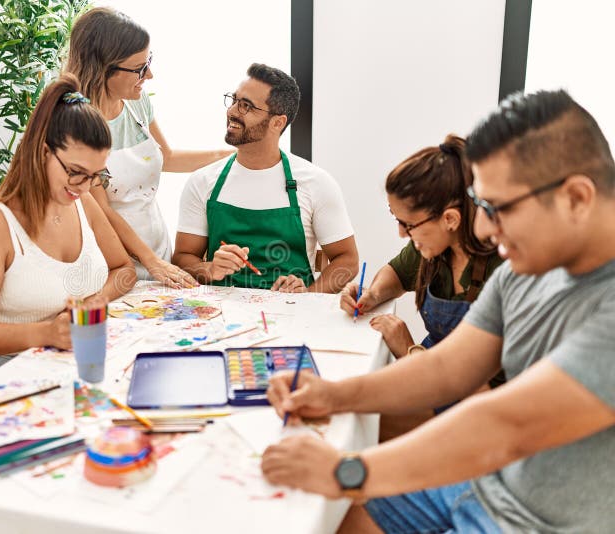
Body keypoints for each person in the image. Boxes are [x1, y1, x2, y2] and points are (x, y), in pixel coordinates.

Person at [260, 89, 615, 533]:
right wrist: (333, 394)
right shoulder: (522, 271)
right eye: (480, 204)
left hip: (540, 522)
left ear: (576, 198)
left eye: (498, 208)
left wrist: (345, 470)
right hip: (482, 483)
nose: (482, 226)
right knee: (328, 517)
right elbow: (446, 369)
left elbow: (506, 425)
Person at [0, 74, 137, 391]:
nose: (84, 187)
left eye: (95, 175)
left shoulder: (82, 204)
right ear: (42, 152)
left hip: (60, 366)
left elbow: (124, 269)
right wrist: (47, 333)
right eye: (76, 172)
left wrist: (92, 304)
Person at [64, 8, 232, 287]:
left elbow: (168, 158)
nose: (150, 74)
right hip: (112, 262)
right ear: (104, 68)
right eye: (140, 68)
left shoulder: (136, 103)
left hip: (157, 249)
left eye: (149, 61)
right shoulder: (76, 124)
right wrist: (151, 261)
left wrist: (231, 155)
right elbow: (102, 211)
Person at [172, 63, 359, 293]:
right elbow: (182, 257)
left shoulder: (316, 183)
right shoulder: (202, 181)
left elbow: (347, 260)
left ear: (278, 122)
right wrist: (210, 269)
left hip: (292, 312)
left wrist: (309, 294)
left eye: (246, 106)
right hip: (221, 313)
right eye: (234, 100)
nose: (232, 112)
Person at [341, 135, 504, 379]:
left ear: (450, 219)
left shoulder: (502, 271)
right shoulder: (433, 250)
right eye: (397, 220)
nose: (401, 233)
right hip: (433, 370)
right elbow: (396, 274)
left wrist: (409, 350)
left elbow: (472, 383)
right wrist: (373, 294)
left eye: (408, 224)